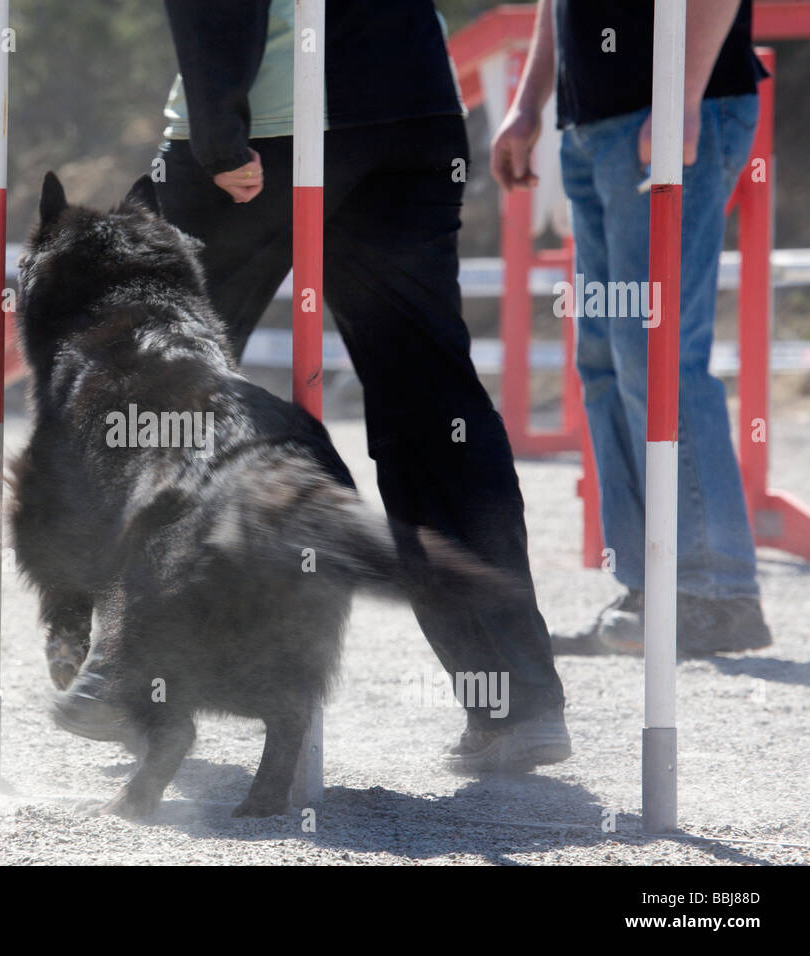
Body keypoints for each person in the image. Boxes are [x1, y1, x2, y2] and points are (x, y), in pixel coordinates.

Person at [153, 0, 570, 772]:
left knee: (148, 387)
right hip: (411, 104)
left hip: (270, 114)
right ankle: (514, 700)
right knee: (434, 410)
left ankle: (122, 676)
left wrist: (216, 121)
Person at [491, 0, 772, 657]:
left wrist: (682, 96)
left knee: (659, 354)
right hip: (593, 121)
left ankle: (718, 592)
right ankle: (650, 589)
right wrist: (531, 99)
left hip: (667, 110)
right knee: (604, 363)